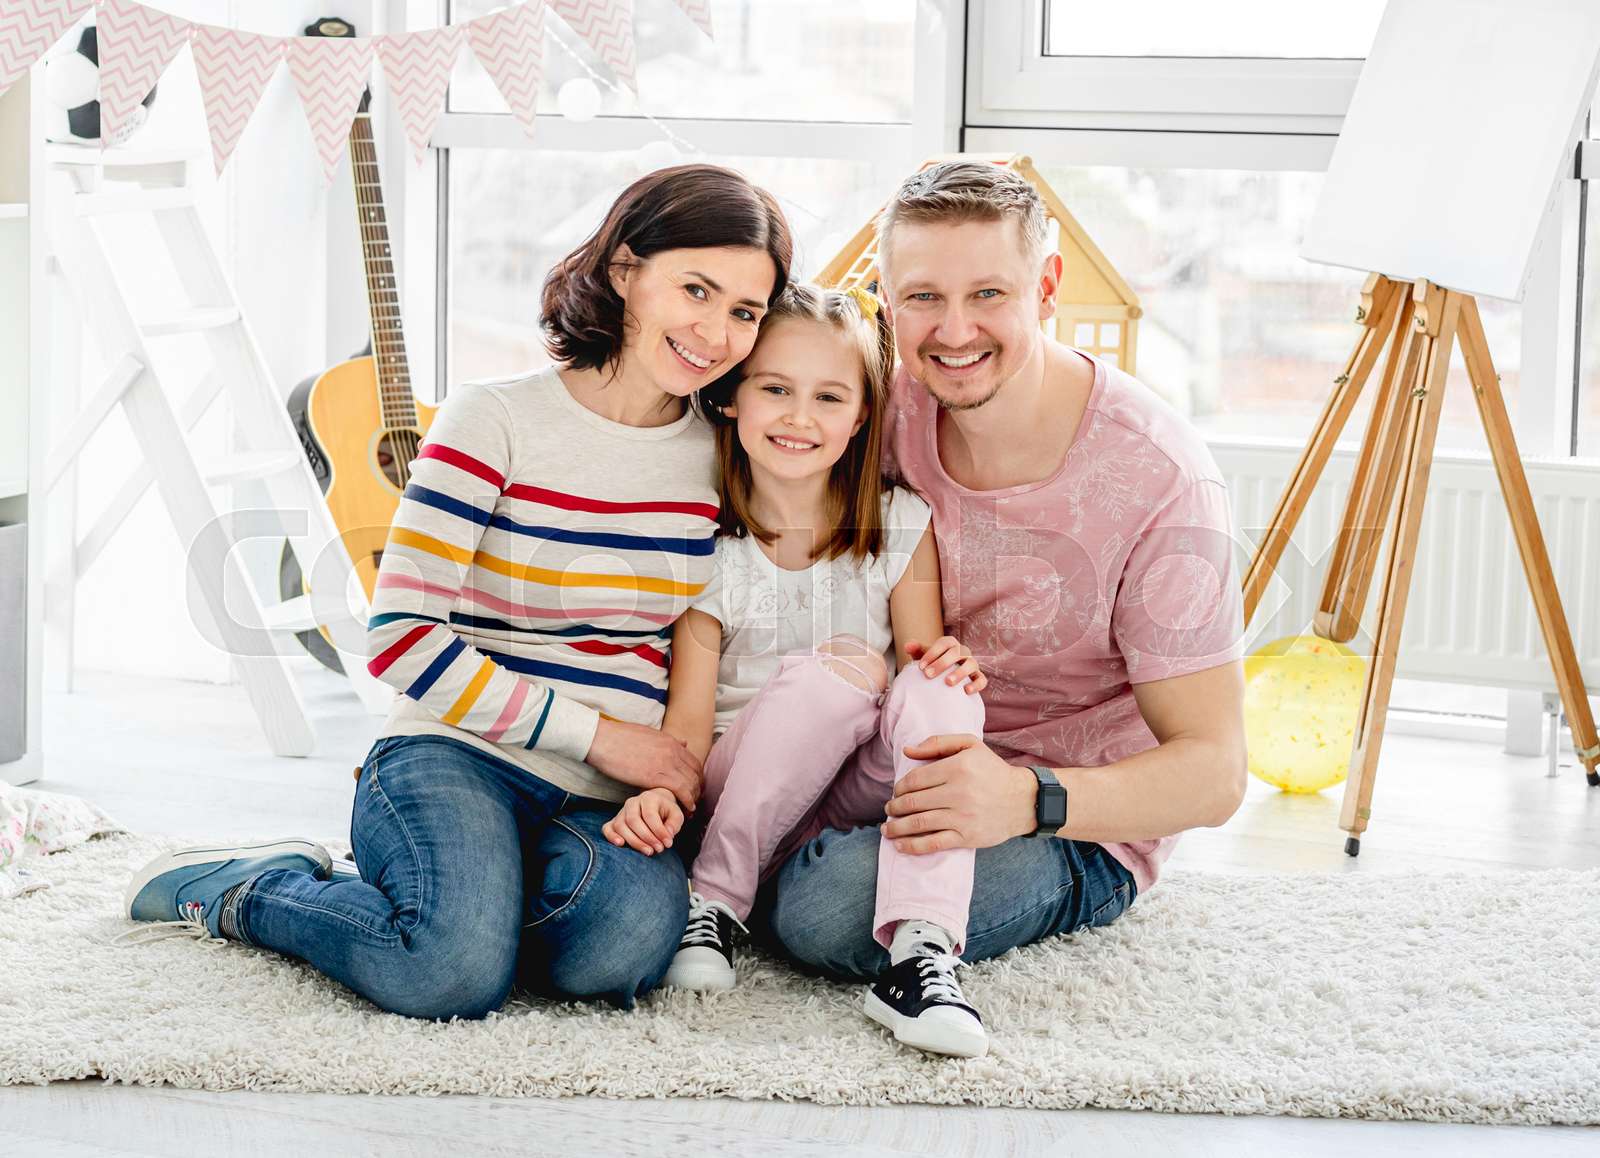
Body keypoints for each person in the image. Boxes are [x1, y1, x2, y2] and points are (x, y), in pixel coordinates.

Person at [116, 165, 794, 1018]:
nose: (716, 332)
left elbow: (706, 636)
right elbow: (400, 636)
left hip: (610, 797)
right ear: (626, 270)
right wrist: (601, 738)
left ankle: (459, 904)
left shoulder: (726, 457)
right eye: (696, 289)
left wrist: (667, 780)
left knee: (615, 953)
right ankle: (250, 889)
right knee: (448, 974)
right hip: (457, 751)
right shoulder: (494, 418)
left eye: (745, 312)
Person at [755, 161, 1248, 1007]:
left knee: (823, 906)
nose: (955, 332)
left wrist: (1026, 799)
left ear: (1045, 287)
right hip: (885, 756)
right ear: (886, 299)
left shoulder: (1162, 476)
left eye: (988, 294)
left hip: (1065, 814)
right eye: (924, 297)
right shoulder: (874, 411)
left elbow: (1216, 772)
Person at [600, 283, 993, 1058]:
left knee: (941, 686)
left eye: (828, 397)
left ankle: (921, 950)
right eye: (775, 389)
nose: (799, 417)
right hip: (737, 796)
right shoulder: (706, 545)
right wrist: (660, 795)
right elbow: (689, 721)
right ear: (731, 398)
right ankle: (713, 901)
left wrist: (949, 663)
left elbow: (917, 678)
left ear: (860, 417)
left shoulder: (900, 522)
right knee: (837, 671)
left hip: (849, 799)